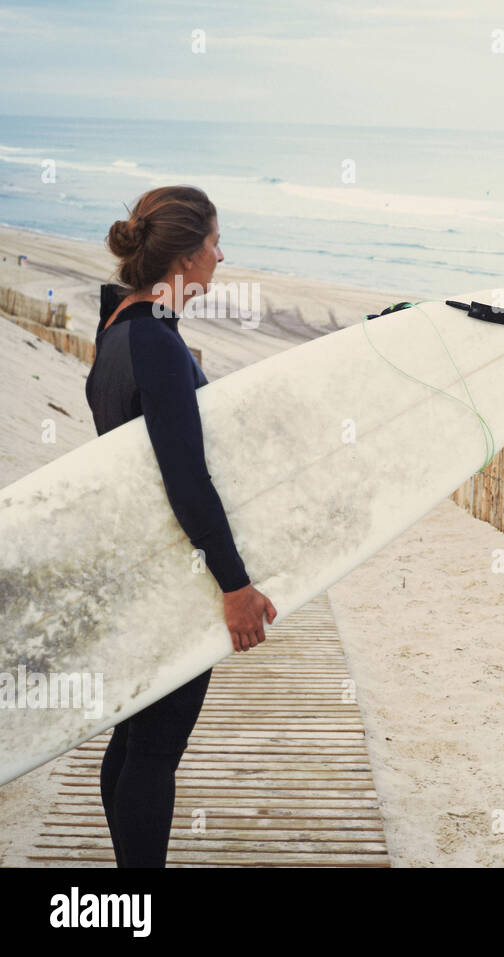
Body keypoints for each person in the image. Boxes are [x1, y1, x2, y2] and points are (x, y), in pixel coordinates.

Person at [86, 185, 278, 867]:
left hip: (139, 567)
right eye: (215, 243)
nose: (222, 256)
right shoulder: (155, 343)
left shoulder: (120, 329)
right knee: (154, 751)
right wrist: (234, 584)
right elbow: (185, 477)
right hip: (171, 575)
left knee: (135, 743)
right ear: (187, 256)